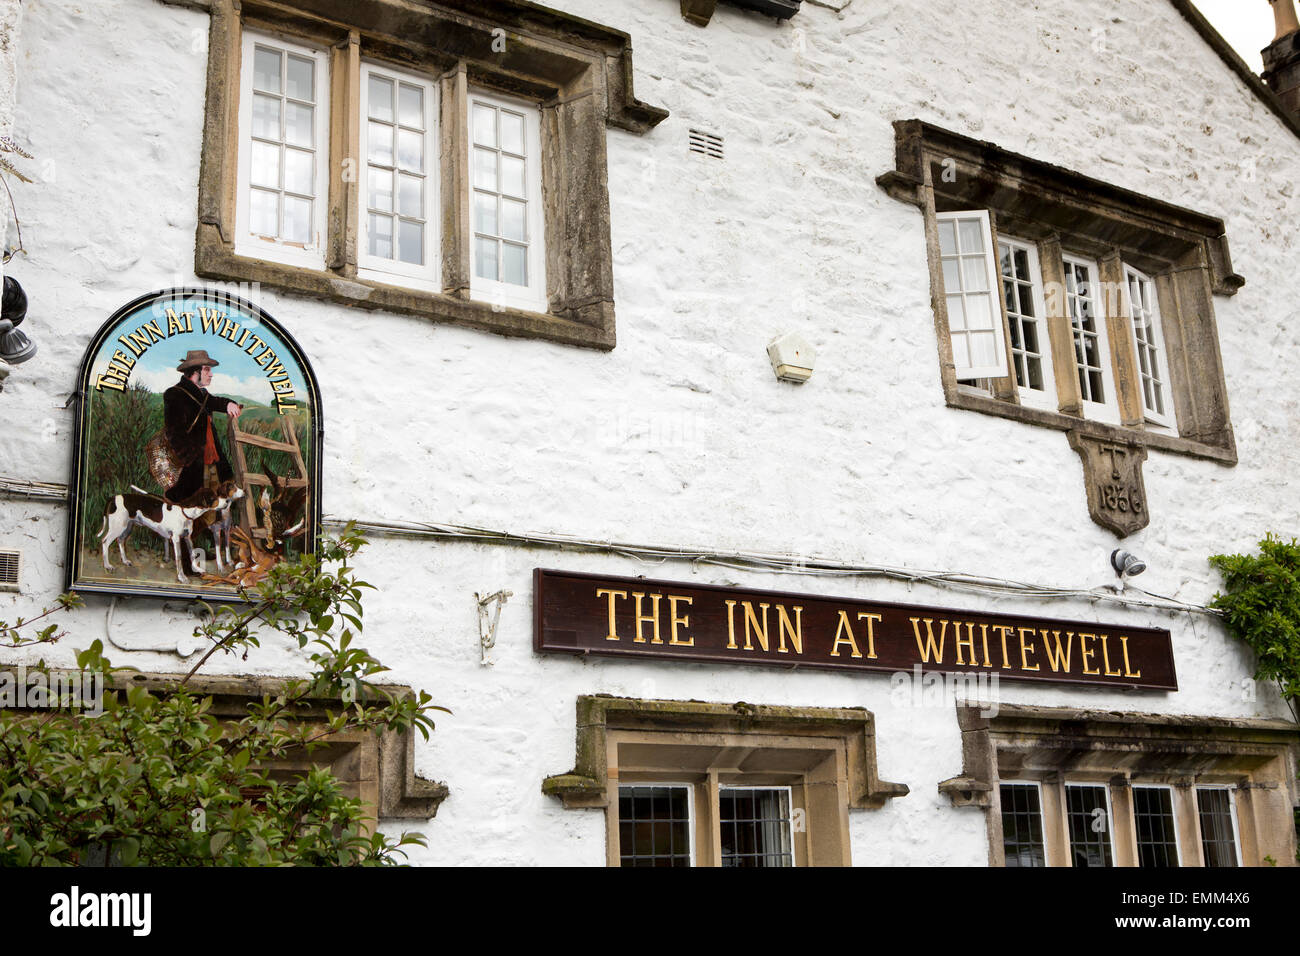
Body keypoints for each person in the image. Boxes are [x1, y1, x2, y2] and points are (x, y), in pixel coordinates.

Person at [163, 349, 242, 503]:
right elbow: (174, 433)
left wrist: (228, 404)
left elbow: (215, 402)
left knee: (218, 507)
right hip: (192, 466)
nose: (211, 374)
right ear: (195, 371)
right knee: (189, 509)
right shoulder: (174, 394)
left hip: (214, 463)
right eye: (207, 369)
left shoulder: (202, 394)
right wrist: (190, 459)